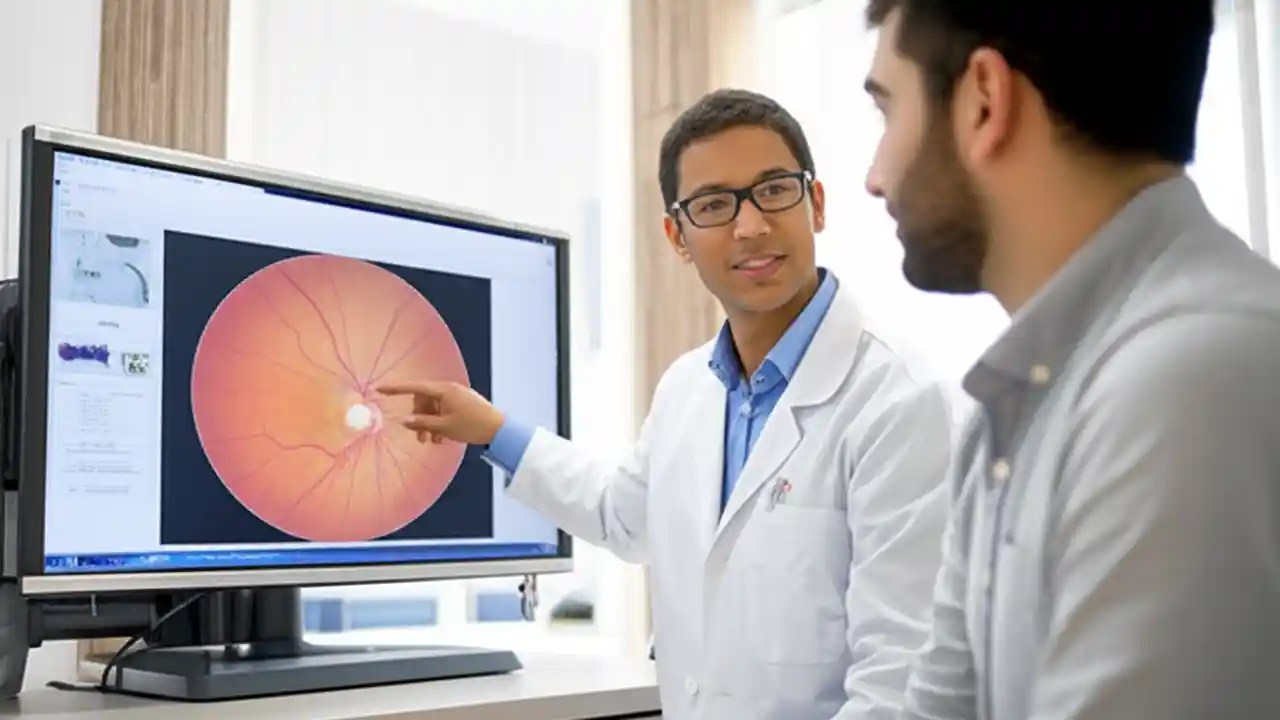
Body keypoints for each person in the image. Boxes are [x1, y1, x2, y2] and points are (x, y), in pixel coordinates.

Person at [379, 88, 952, 719]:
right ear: (677, 236)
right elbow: (625, 516)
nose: (751, 225)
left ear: (815, 204)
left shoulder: (897, 402)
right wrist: (490, 430)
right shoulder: (687, 388)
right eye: (714, 205)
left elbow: (898, 688)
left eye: (774, 190)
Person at [861, 1, 1280, 718]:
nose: (875, 174)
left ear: (984, 102)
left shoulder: (1188, 383)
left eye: (887, 111)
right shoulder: (1017, 405)